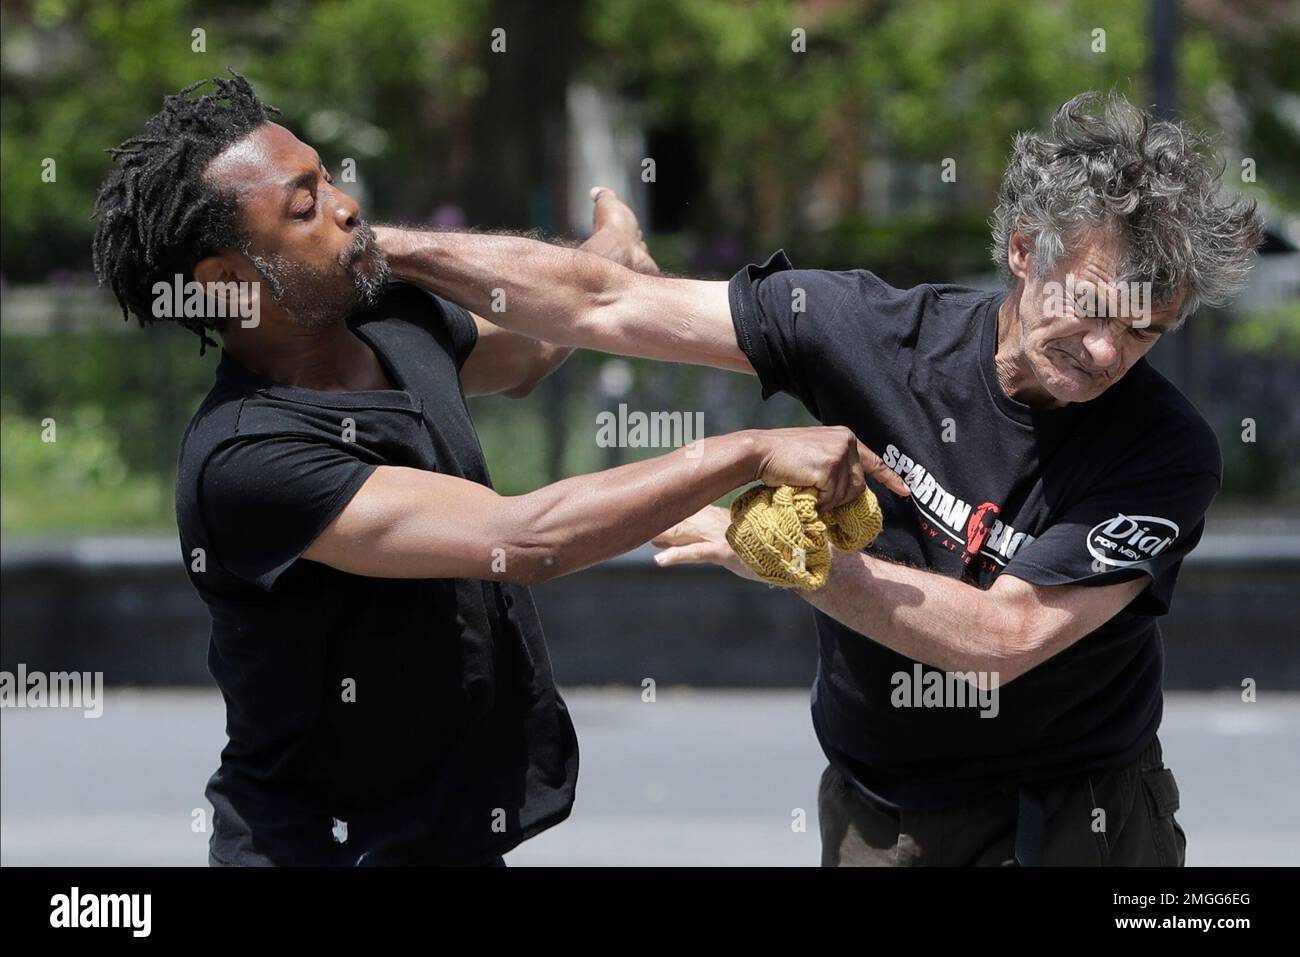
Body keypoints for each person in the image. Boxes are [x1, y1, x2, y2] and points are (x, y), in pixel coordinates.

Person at [372, 91, 1265, 866]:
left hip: (1077, 819)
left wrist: (785, 556)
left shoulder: (1162, 450)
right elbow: (602, 302)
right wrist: (377, 249)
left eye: (1145, 331)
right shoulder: (874, 332)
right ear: (1027, 249)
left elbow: (1003, 638)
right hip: (877, 815)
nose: (1109, 350)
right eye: (1095, 305)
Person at [91, 70, 884, 866]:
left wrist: (610, 257)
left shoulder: (384, 322)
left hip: (450, 837)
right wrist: (747, 451)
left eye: (328, 177)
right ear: (227, 284)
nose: (345, 207)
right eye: (304, 206)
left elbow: (533, 347)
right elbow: (527, 540)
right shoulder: (247, 455)